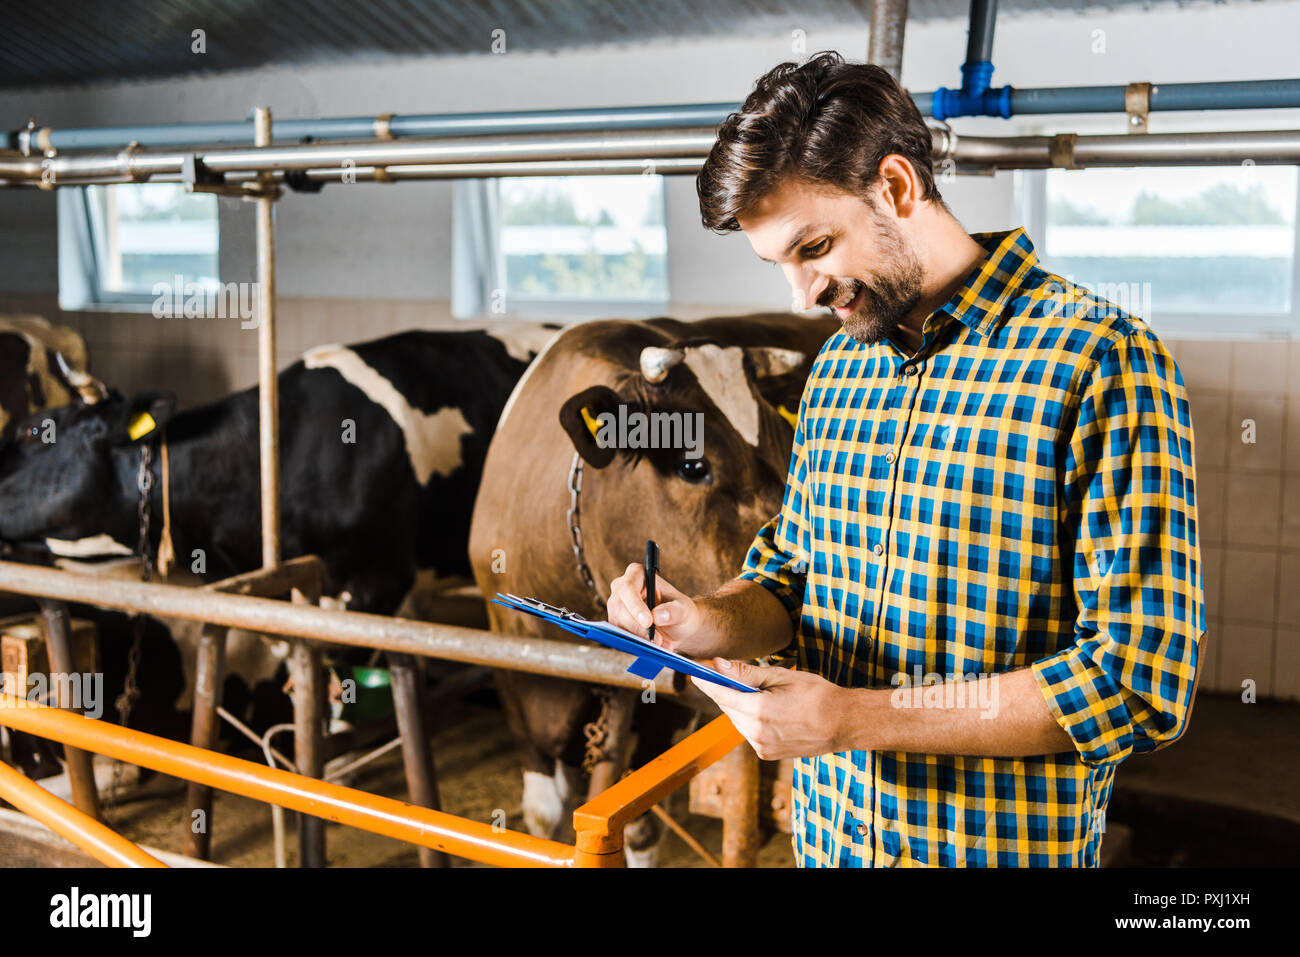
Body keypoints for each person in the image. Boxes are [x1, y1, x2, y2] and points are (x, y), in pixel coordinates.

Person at [605, 51, 1204, 867]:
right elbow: (791, 579)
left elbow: (1135, 684)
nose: (801, 294)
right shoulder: (840, 371)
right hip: (831, 846)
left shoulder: (1099, 360)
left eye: (814, 247)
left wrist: (853, 717)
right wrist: (704, 621)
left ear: (895, 186)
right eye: (779, 265)